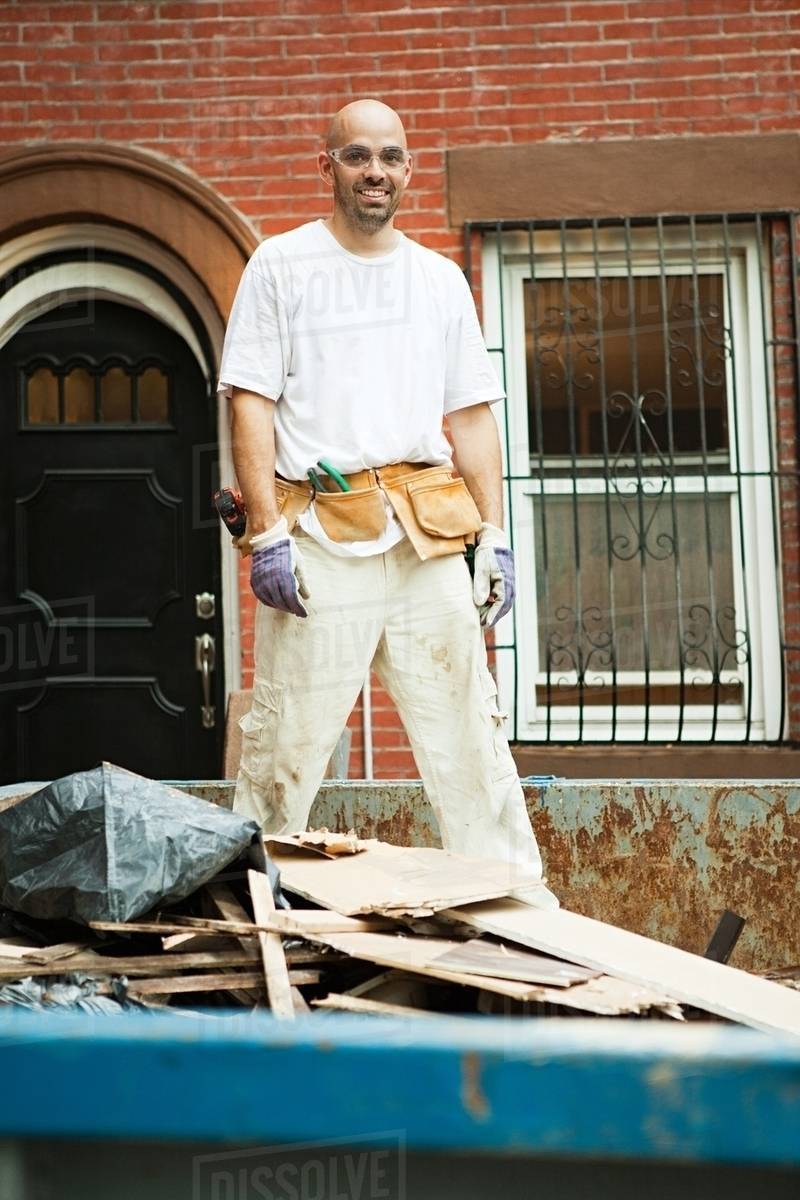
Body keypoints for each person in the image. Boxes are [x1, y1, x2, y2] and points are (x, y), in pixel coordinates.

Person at [218, 98, 556, 906]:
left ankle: (516, 907)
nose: (377, 171)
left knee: (471, 739)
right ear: (327, 164)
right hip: (321, 544)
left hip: (426, 537)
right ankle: (240, 908)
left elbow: (471, 416)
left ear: (407, 170)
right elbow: (250, 403)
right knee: (284, 748)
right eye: (359, 155)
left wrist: (494, 534)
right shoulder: (281, 265)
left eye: (392, 157)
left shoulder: (438, 281)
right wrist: (267, 536)